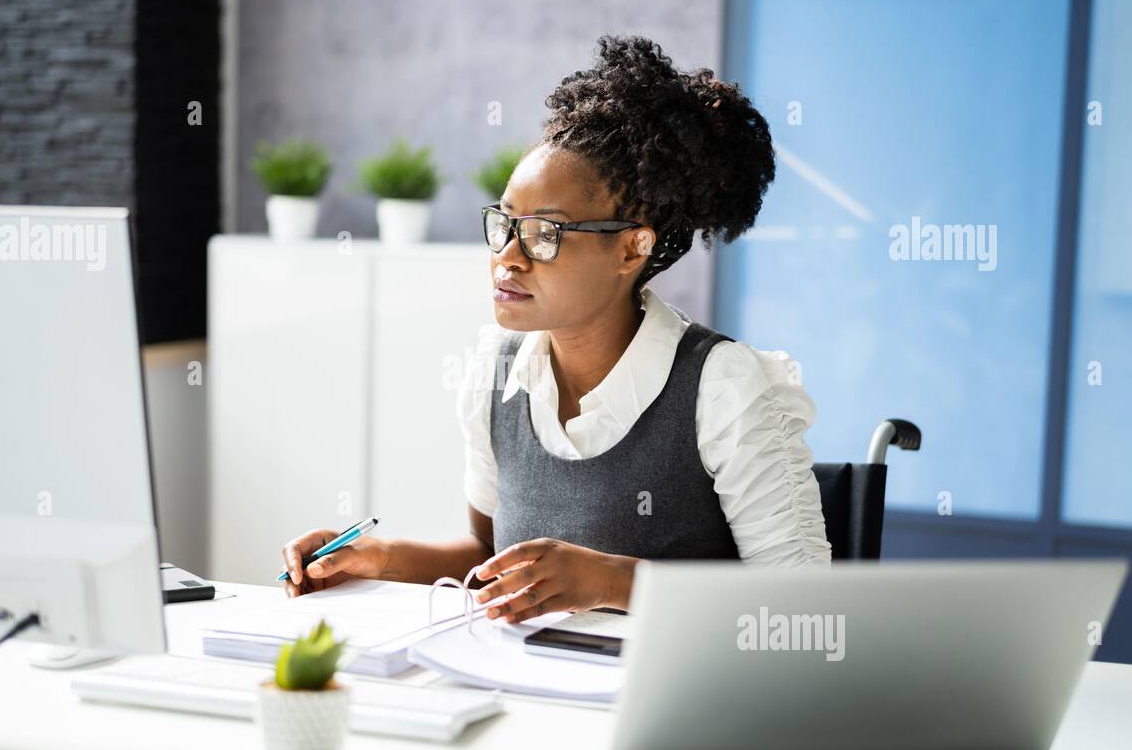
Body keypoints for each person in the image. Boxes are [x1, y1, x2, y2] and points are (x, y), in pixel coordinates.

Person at [281, 34, 830, 623]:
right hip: (532, 697)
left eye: (545, 234)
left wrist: (615, 581)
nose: (508, 256)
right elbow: (489, 557)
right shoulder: (496, 372)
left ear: (631, 249)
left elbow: (804, 612)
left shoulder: (725, 387)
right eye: (505, 223)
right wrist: (379, 558)